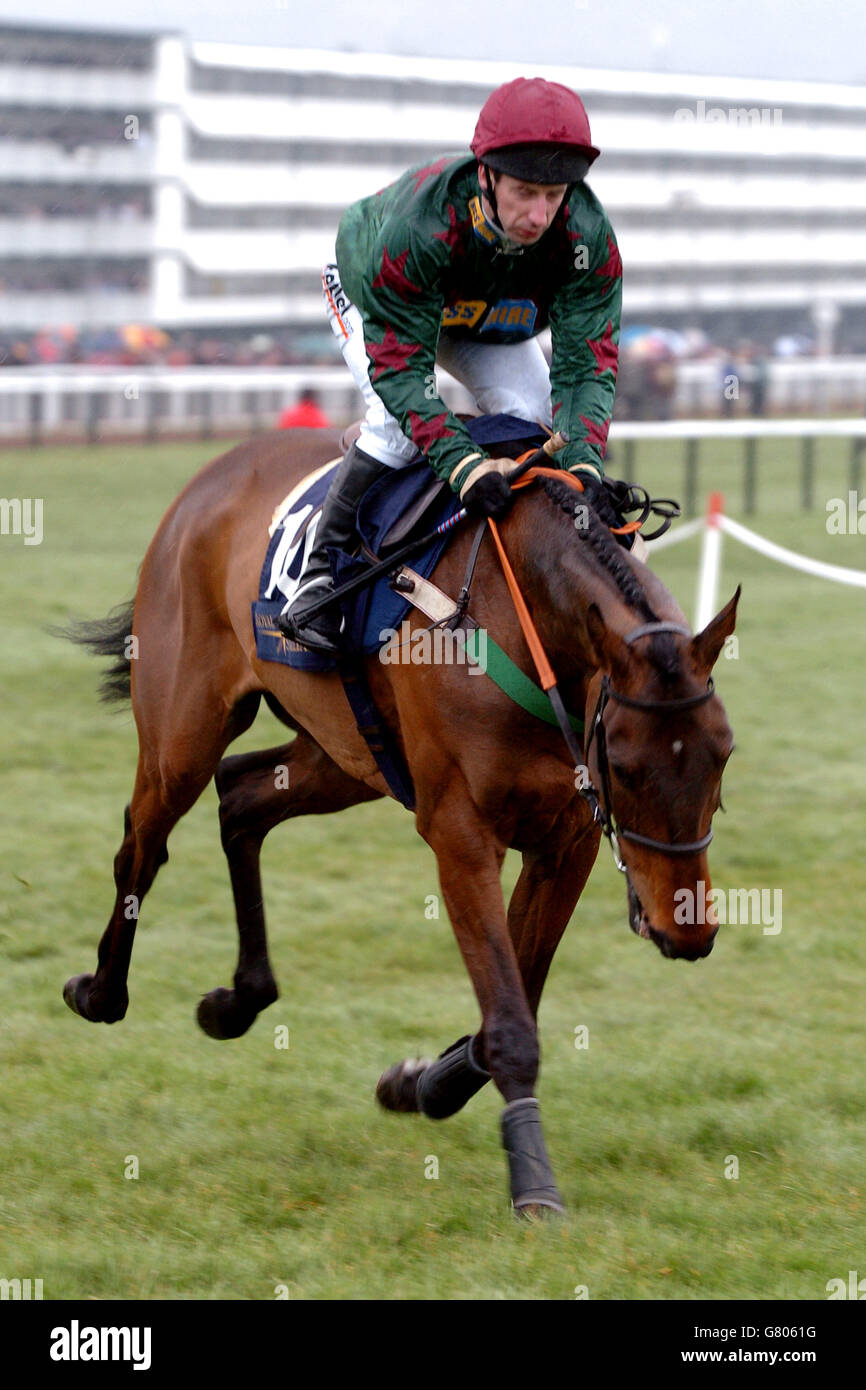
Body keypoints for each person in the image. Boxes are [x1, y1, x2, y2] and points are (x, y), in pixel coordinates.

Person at [280, 75, 622, 653]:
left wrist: (585, 467)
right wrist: (465, 468)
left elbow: (587, 363)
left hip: (479, 311)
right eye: (523, 192)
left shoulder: (587, 236)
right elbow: (404, 373)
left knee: (543, 417)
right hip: (380, 293)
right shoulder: (422, 228)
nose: (539, 216)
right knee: (396, 429)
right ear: (485, 173)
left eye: (554, 196)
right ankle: (319, 566)